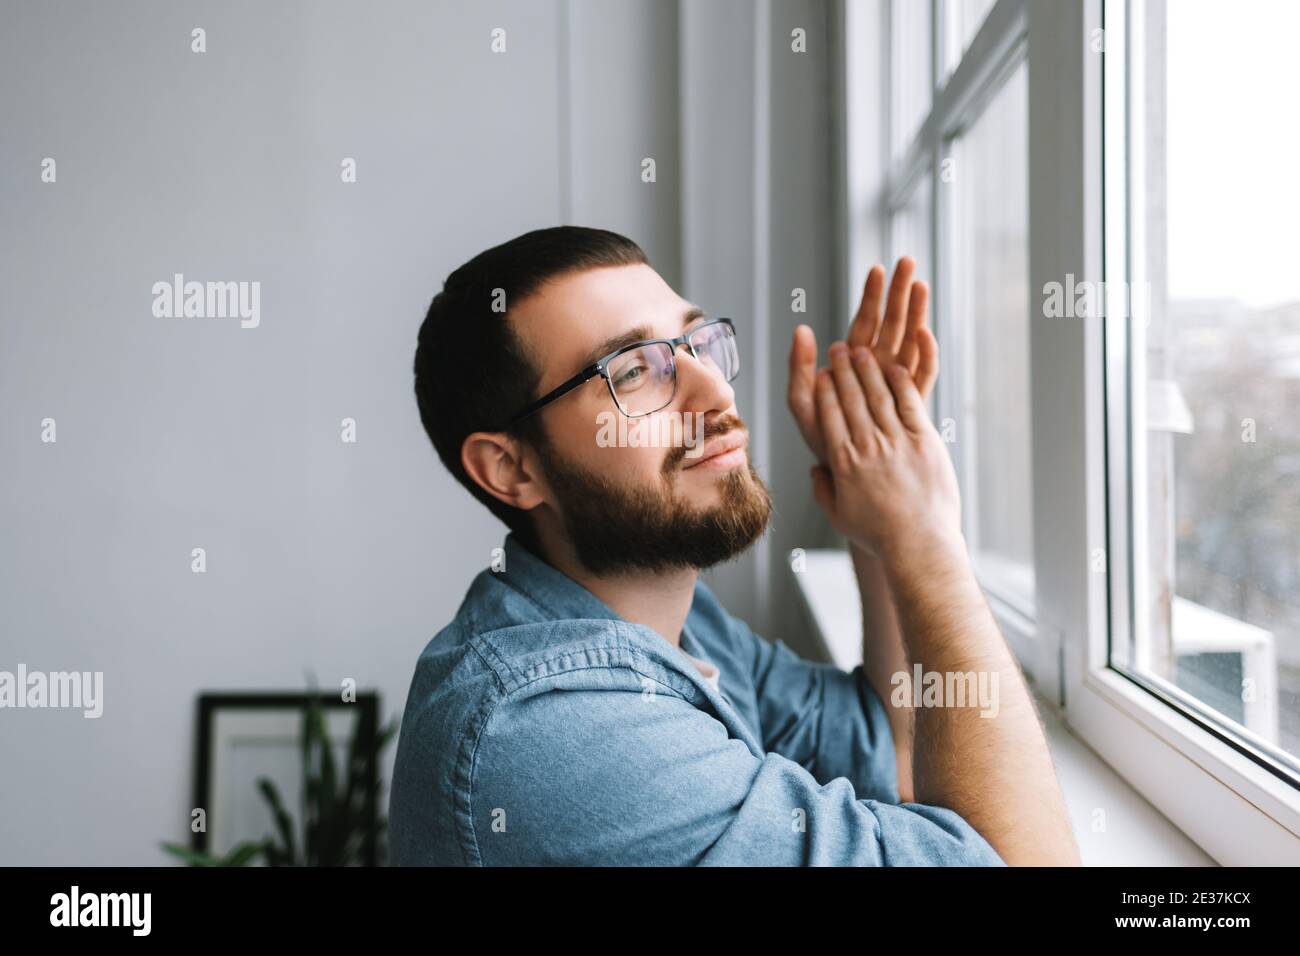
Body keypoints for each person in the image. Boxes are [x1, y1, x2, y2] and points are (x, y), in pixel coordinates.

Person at [389, 225, 1079, 866]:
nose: (714, 390)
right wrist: (927, 535)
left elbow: (887, 743)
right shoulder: (548, 730)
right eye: (633, 372)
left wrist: (884, 528)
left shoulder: (675, 622)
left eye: (696, 344)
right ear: (512, 469)